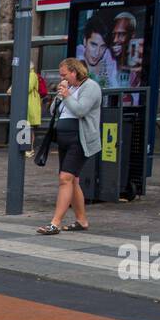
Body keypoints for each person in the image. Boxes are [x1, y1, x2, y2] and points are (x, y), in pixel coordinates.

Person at [37, 57, 101, 236]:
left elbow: (80, 110)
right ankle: (81, 219)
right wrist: (60, 96)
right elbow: (53, 111)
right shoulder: (69, 88)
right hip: (65, 138)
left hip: (80, 139)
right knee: (73, 180)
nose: (62, 79)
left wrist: (66, 96)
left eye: (64, 75)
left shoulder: (90, 87)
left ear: (75, 72)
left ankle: (55, 223)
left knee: (65, 178)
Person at [76, 15, 120, 90]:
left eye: (102, 46)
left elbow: (116, 88)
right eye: (93, 45)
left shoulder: (109, 58)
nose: (97, 53)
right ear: (85, 41)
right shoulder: (76, 54)